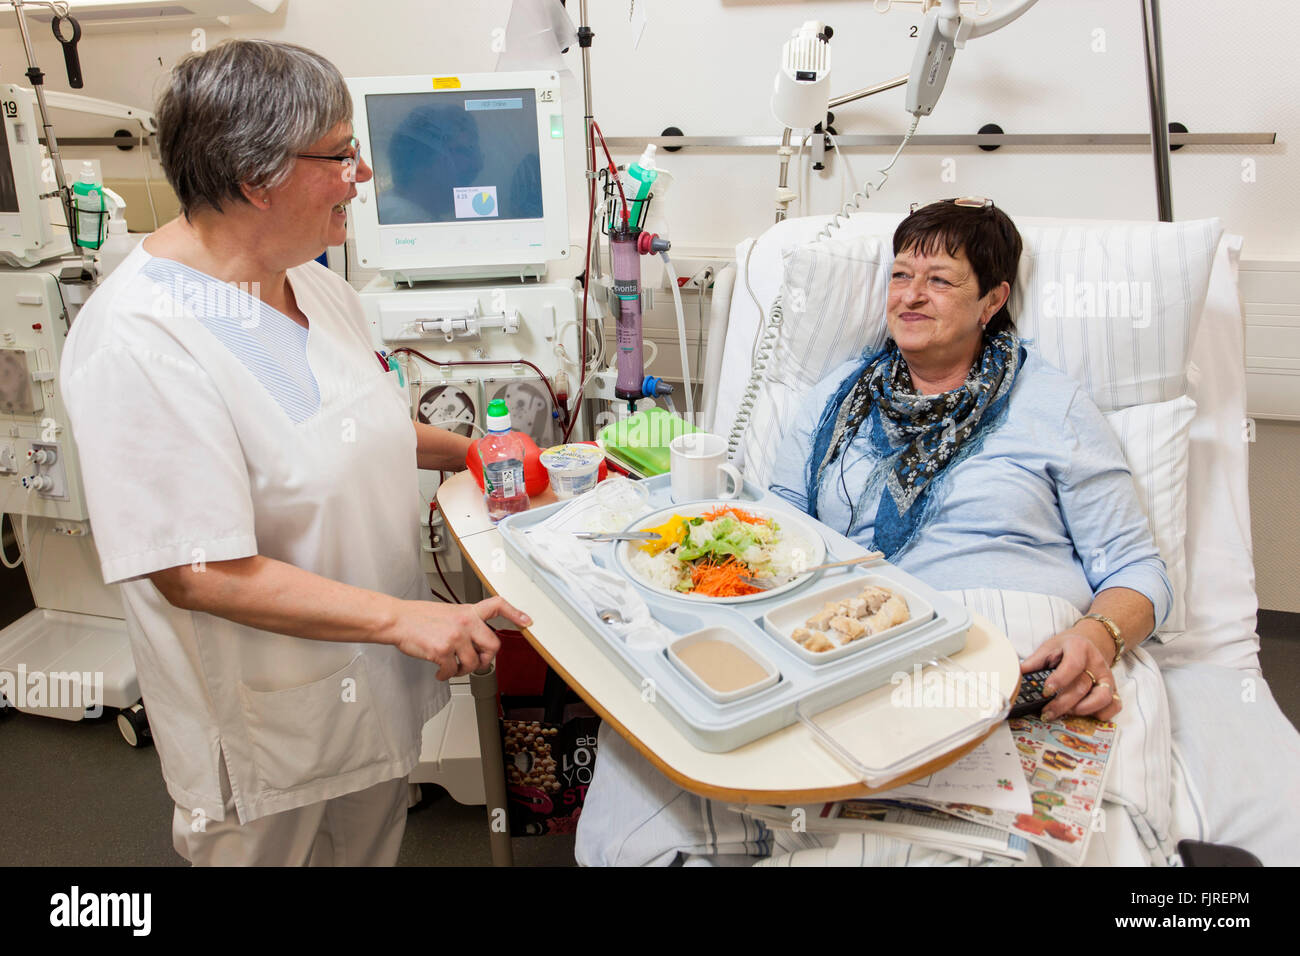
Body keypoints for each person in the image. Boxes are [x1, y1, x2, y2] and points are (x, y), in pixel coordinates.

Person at [575, 197, 1171, 866]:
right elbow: (777, 524)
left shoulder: (1052, 405)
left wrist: (1101, 633)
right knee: (651, 735)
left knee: (896, 832)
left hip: (1005, 633)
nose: (910, 297)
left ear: (992, 301)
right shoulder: (837, 397)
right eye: (900, 275)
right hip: (853, 633)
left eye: (940, 280)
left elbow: (1135, 568)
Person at [59, 39, 531, 866]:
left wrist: (477, 451)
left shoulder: (311, 282)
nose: (364, 176)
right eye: (342, 154)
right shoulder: (139, 340)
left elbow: (353, 424)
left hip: (366, 685)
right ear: (255, 178)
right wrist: (403, 618)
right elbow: (193, 570)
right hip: (263, 728)